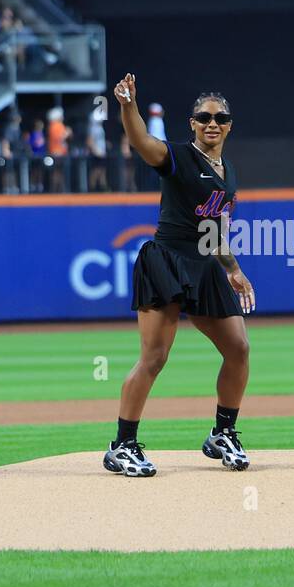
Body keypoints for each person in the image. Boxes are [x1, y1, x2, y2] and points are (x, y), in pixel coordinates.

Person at [103, 74, 255, 478]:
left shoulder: (229, 173)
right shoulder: (179, 157)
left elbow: (216, 230)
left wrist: (234, 269)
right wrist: (128, 106)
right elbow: (142, 143)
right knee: (154, 358)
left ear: (229, 125)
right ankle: (123, 445)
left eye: (220, 117)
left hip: (205, 264)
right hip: (167, 259)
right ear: (192, 123)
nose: (212, 123)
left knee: (238, 348)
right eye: (203, 116)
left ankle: (223, 432)